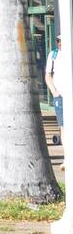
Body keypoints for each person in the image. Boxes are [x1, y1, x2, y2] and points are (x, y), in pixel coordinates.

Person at [45, 34, 69, 169]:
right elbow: (48, 75)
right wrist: (54, 92)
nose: (59, 43)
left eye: (62, 41)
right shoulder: (53, 55)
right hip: (60, 97)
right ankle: (67, 158)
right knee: (63, 128)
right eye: (58, 41)